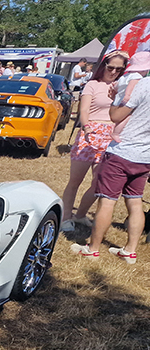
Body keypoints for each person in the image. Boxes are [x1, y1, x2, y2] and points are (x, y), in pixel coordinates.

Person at [72, 74, 150, 262]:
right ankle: (130, 251)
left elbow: (115, 116)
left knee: (106, 201)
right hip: (145, 157)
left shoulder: (144, 85)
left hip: (123, 151)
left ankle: (93, 249)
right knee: (135, 202)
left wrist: (116, 96)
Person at [61, 50, 128, 232]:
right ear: (103, 66)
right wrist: (86, 126)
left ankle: (81, 214)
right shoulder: (92, 84)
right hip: (90, 133)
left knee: (99, 182)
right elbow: (84, 110)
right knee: (75, 181)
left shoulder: (122, 86)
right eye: (111, 67)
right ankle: (66, 217)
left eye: (118, 69)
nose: (114, 72)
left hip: (110, 134)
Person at [110, 51, 150, 143]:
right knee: (128, 117)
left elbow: (116, 86)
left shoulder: (125, 76)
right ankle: (116, 133)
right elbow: (131, 86)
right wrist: (128, 95)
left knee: (120, 118)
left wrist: (115, 92)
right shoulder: (137, 77)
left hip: (118, 99)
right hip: (125, 100)